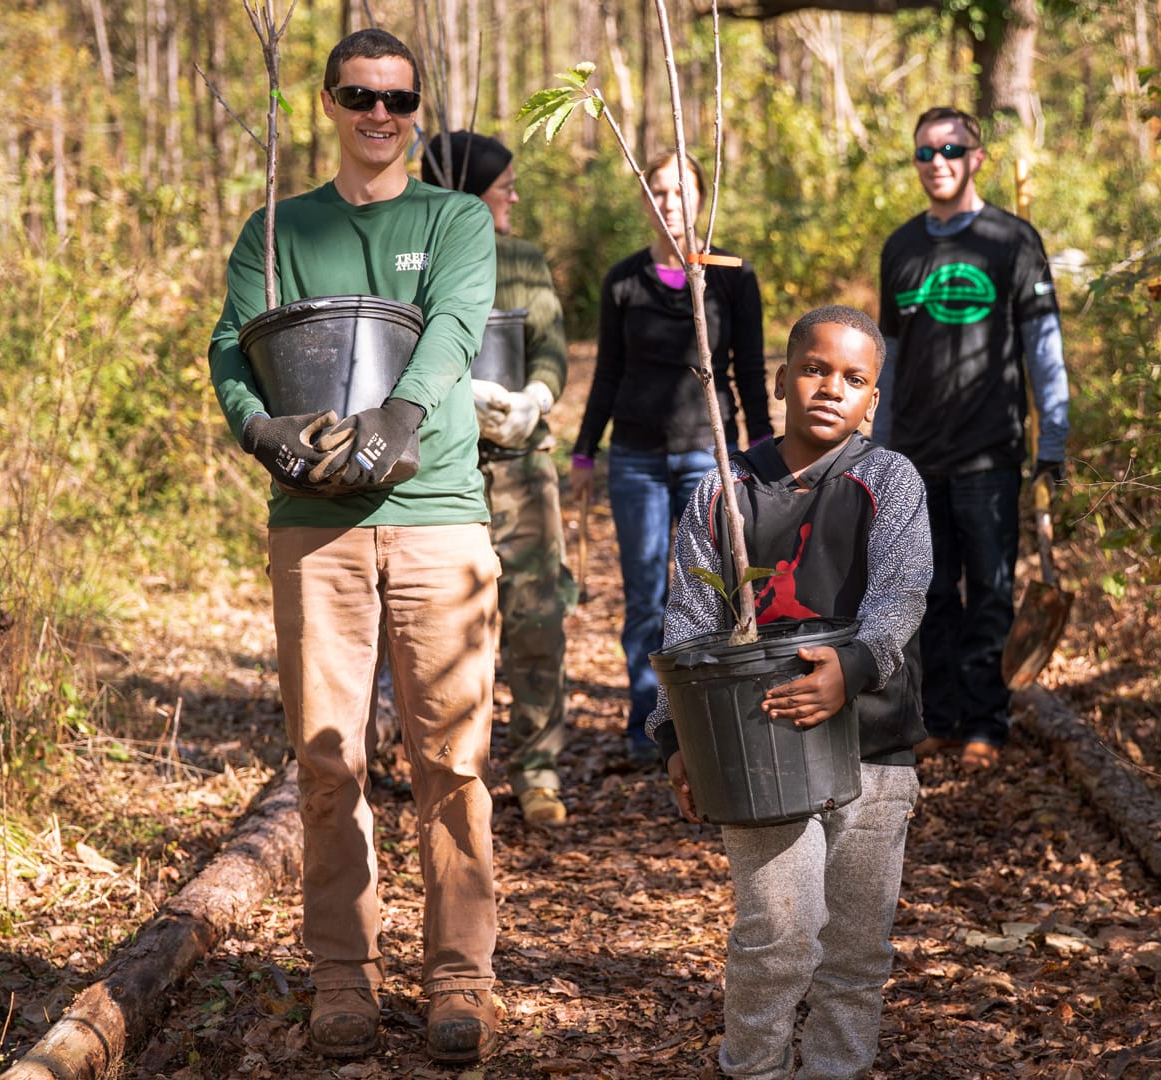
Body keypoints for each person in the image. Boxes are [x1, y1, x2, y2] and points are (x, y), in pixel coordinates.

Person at [206, 28, 502, 1064]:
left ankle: (462, 981)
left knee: (452, 759)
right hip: (316, 524)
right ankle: (344, 977)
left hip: (438, 513)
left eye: (398, 98)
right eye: (360, 96)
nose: (381, 114)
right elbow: (231, 346)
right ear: (328, 102)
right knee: (328, 759)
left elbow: (455, 323)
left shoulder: (454, 216)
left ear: (417, 106)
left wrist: (402, 417)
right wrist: (261, 429)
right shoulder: (279, 228)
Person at [648, 305, 931, 1080]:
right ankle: (754, 1067)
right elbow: (689, 620)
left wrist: (857, 667)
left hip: (874, 744)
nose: (830, 388)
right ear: (779, 378)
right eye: (813, 369)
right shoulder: (724, 488)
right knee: (779, 928)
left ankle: (836, 1069)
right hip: (755, 750)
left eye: (853, 378)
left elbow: (903, 593)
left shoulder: (889, 480)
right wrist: (678, 738)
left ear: (873, 398)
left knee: (856, 945)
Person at [876, 105, 1071, 771]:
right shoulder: (900, 248)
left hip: (990, 450)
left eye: (950, 149)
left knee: (989, 587)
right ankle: (938, 717)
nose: (937, 163)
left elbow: (1043, 344)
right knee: (929, 591)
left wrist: (1056, 436)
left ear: (976, 156)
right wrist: (876, 448)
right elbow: (890, 358)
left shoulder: (1012, 240)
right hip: (915, 453)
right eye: (924, 153)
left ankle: (986, 721)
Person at [572, 149, 771, 763]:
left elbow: (749, 374)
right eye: (657, 191)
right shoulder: (624, 281)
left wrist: (763, 453)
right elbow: (606, 372)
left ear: (700, 199)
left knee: (712, 590)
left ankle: (712, 720)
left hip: (707, 457)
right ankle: (649, 727)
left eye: (681, 191)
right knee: (644, 596)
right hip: (634, 458)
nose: (669, 203)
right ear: (645, 199)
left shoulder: (732, 279)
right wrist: (584, 452)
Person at [423, 130, 579, 828]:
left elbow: (550, 348)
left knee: (537, 615)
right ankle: (459, 771)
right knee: (450, 624)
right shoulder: (418, 259)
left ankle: (538, 769)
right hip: (442, 466)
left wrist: (534, 401)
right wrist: (458, 394)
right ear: (464, 192)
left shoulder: (520, 259)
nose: (515, 195)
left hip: (522, 464)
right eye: (503, 184)